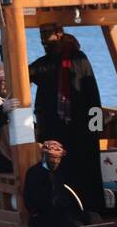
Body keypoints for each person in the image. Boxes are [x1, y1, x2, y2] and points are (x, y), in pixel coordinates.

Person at [29, 28, 106, 211]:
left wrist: (96, 126)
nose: (44, 43)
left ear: (58, 34)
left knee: (79, 168)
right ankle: (78, 206)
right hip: (68, 127)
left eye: (46, 39)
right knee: (70, 168)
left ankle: (80, 207)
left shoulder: (76, 60)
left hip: (76, 128)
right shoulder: (48, 63)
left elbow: (91, 92)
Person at [23, 140, 87, 227]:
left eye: (58, 159)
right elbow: (35, 202)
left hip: (59, 214)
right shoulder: (34, 173)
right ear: (44, 157)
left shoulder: (58, 173)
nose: (56, 162)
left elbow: (63, 197)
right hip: (41, 218)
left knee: (90, 218)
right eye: (52, 158)